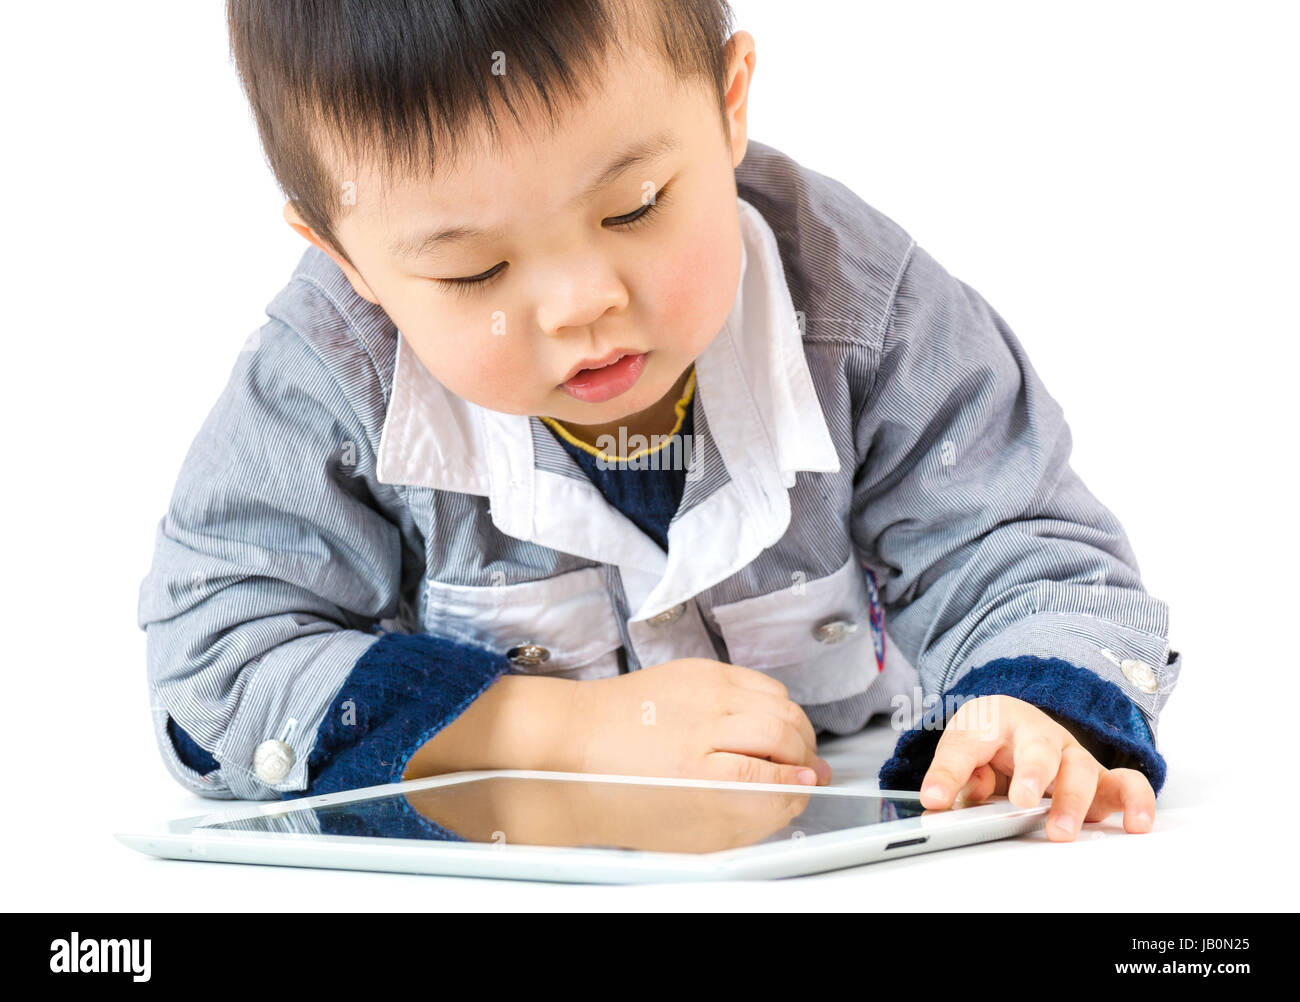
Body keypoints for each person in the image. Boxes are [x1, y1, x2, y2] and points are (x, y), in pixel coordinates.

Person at [137, 0, 1180, 843]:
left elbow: (1021, 547)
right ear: (345, 258)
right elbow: (213, 658)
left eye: (633, 205)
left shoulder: (864, 310)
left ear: (729, 104)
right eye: (473, 269)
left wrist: (1026, 702)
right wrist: (560, 753)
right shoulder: (327, 376)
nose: (581, 303)